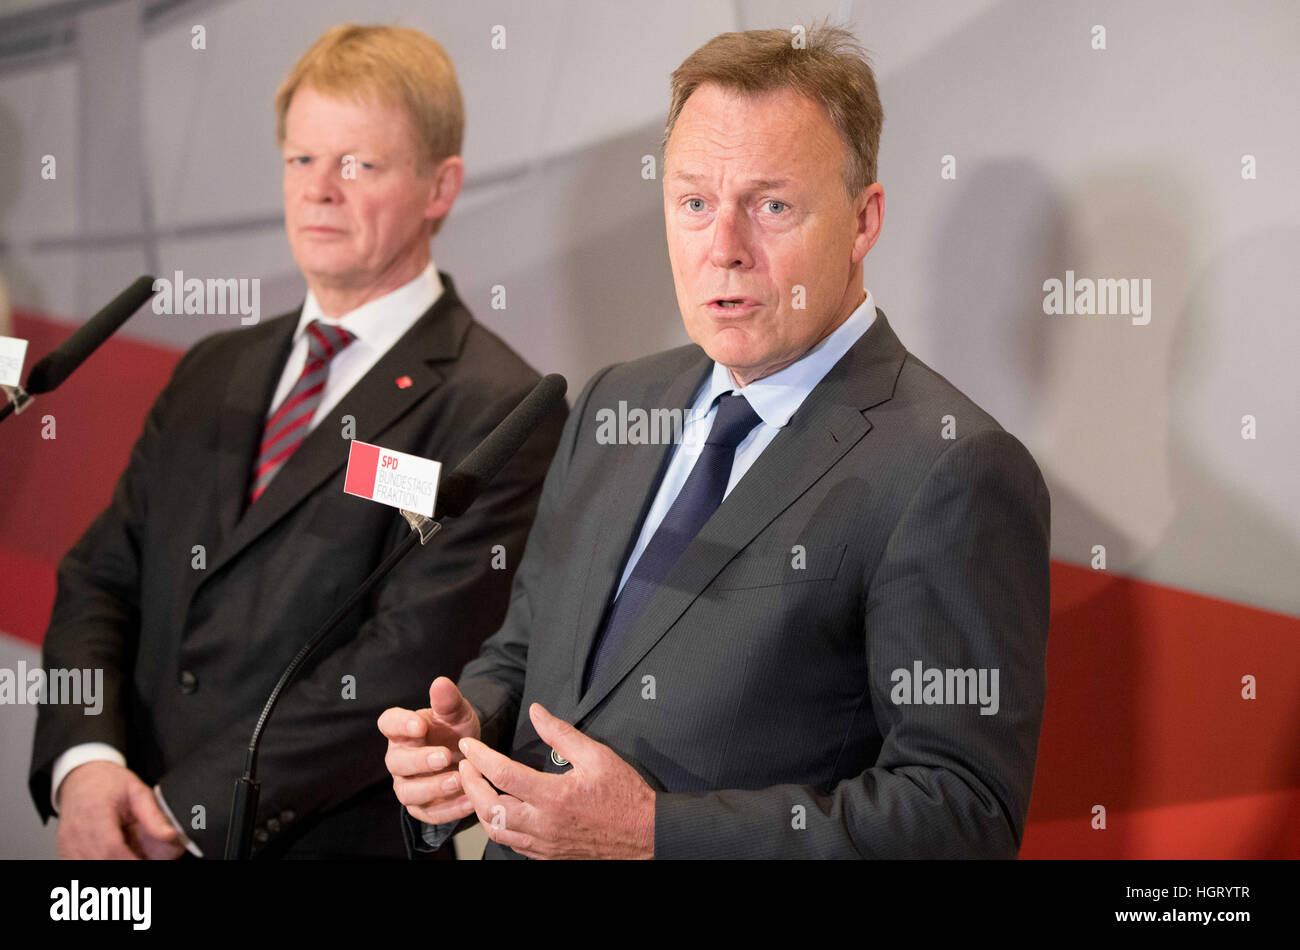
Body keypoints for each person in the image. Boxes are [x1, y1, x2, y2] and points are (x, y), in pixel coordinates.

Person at [382, 24, 1050, 860]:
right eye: (695, 203)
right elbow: (531, 648)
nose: (723, 249)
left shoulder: (951, 470)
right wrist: (469, 731)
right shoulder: (615, 402)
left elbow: (961, 815)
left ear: (863, 219)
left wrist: (654, 835)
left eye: (772, 205)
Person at [29, 24, 567, 860]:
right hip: (115, 830)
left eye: (358, 164)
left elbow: (404, 664)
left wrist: (181, 811)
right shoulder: (213, 368)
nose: (319, 190)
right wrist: (88, 763)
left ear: (439, 186)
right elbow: (100, 578)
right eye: (301, 160)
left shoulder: (498, 411)